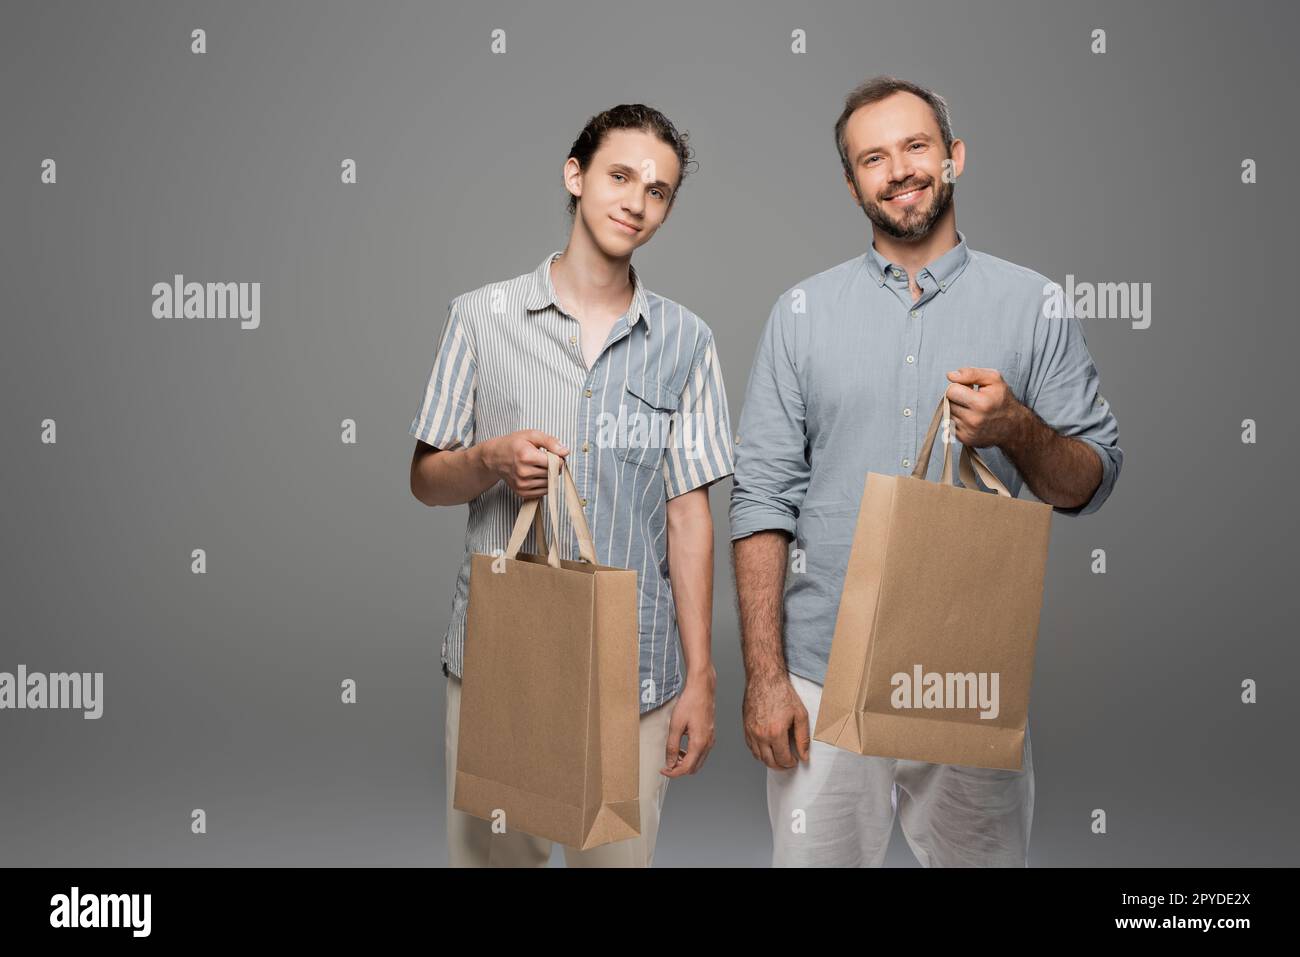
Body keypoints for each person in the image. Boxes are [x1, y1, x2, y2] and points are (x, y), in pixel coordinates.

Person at [729, 76, 1123, 867]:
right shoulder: (800, 314)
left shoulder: (1034, 304)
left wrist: (1017, 427)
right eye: (873, 157)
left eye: (915, 146)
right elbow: (761, 500)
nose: (899, 169)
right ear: (852, 184)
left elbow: (1088, 481)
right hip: (821, 671)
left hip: (969, 669)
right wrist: (766, 677)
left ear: (954, 157)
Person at [409, 104, 735, 867]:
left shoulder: (687, 341)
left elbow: (690, 516)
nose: (636, 202)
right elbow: (424, 480)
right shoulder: (480, 318)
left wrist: (701, 675)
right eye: (620, 176)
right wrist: (489, 460)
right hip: (503, 659)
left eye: (658, 191)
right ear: (575, 175)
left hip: (637, 668)